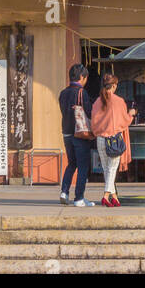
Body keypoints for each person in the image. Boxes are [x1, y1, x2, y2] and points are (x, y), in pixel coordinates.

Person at [90, 73, 135, 206]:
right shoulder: (119, 101)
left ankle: (114, 196)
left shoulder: (97, 102)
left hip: (100, 139)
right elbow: (124, 121)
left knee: (106, 168)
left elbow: (94, 123)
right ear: (114, 86)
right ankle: (106, 195)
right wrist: (131, 114)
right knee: (112, 169)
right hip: (114, 140)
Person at [59, 63, 96, 207]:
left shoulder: (63, 93)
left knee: (71, 163)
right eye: (85, 77)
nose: (86, 80)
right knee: (82, 166)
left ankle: (64, 192)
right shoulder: (81, 92)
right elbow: (88, 112)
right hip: (79, 133)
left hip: (66, 133)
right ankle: (79, 197)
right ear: (81, 77)